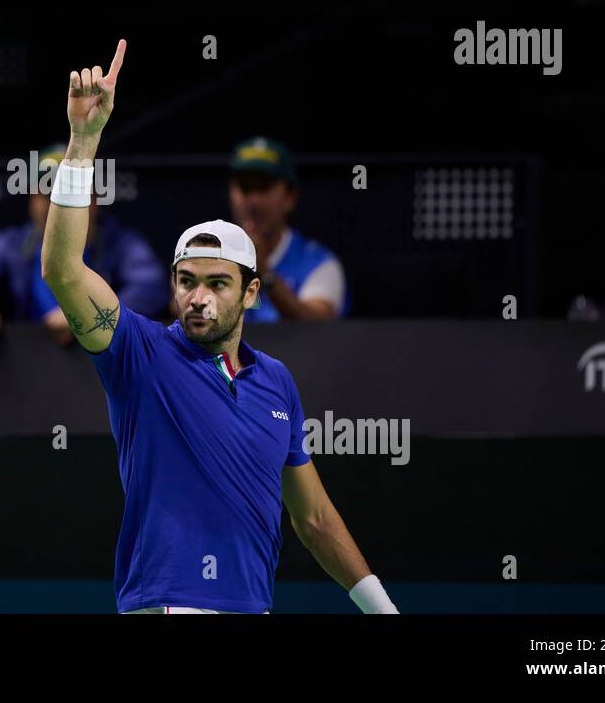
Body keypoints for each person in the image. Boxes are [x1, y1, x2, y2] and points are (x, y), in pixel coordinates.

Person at [41, 39, 397, 615]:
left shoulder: (277, 382)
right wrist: (84, 144)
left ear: (251, 293)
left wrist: (384, 611)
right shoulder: (138, 352)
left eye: (217, 283)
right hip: (167, 606)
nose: (197, 297)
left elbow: (313, 518)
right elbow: (62, 270)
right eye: (186, 281)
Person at [0, 143, 164, 346]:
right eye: (49, 193)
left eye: (72, 192)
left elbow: (152, 287)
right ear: (32, 201)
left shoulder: (120, 243)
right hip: (31, 370)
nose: (60, 205)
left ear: (95, 199)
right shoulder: (13, 245)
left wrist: (90, 314)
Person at [227, 136, 347, 321]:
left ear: (290, 198)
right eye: (245, 187)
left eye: (263, 187)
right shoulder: (211, 257)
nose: (253, 201)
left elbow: (319, 327)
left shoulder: (320, 264)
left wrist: (263, 272)